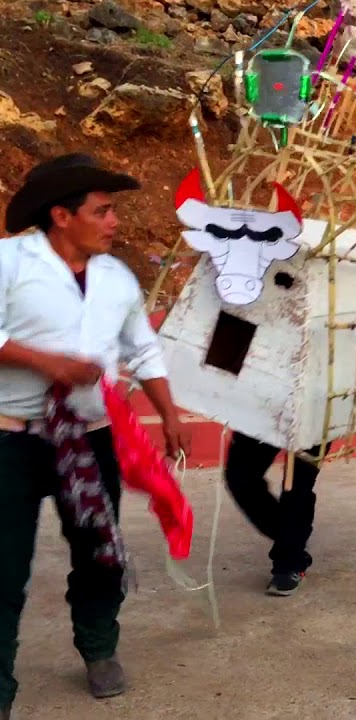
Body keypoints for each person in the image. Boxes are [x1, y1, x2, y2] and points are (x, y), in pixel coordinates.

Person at [0, 154, 187, 718]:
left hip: (92, 437)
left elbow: (142, 348)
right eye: (102, 211)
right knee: (3, 567)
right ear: (62, 215)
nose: (114, 222)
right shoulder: (9, 261)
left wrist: (169, 414)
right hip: (13, 440)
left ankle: (99, 645)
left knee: (98, 552)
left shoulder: (116, 277)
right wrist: (45, 362)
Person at [224, 432, 322, 596]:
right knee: (240, 476)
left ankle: (290, 561)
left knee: (298, 486)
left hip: (314, 414)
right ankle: (292, 541)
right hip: (265, 411)